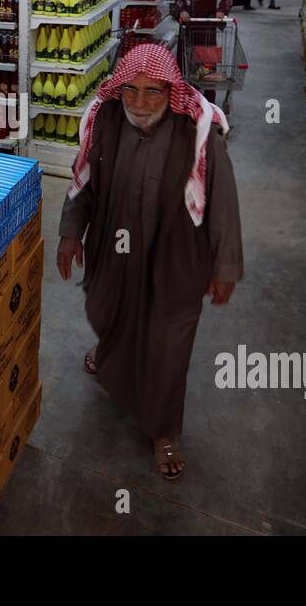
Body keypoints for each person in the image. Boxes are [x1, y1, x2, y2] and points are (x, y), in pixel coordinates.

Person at [57, 43, 243, 482]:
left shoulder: (196, 135)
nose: (140, 104)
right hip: (112, 250)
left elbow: (223, 204)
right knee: (108, 311)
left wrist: (225, 267)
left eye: (153, 92)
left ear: (171, 91)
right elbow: (83, 180)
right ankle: (111, 351)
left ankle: (163, 432)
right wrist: (70, 232)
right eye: (131, 92)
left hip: (175, 259)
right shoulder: (106, 119)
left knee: (167, 346)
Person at [172, 0, 234, 105]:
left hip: (205, 28)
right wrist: (181, 10)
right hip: (187, 29)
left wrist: (222, 10)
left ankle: (208, 104)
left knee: (206, 69)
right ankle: (189, 101)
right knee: (186, 68)